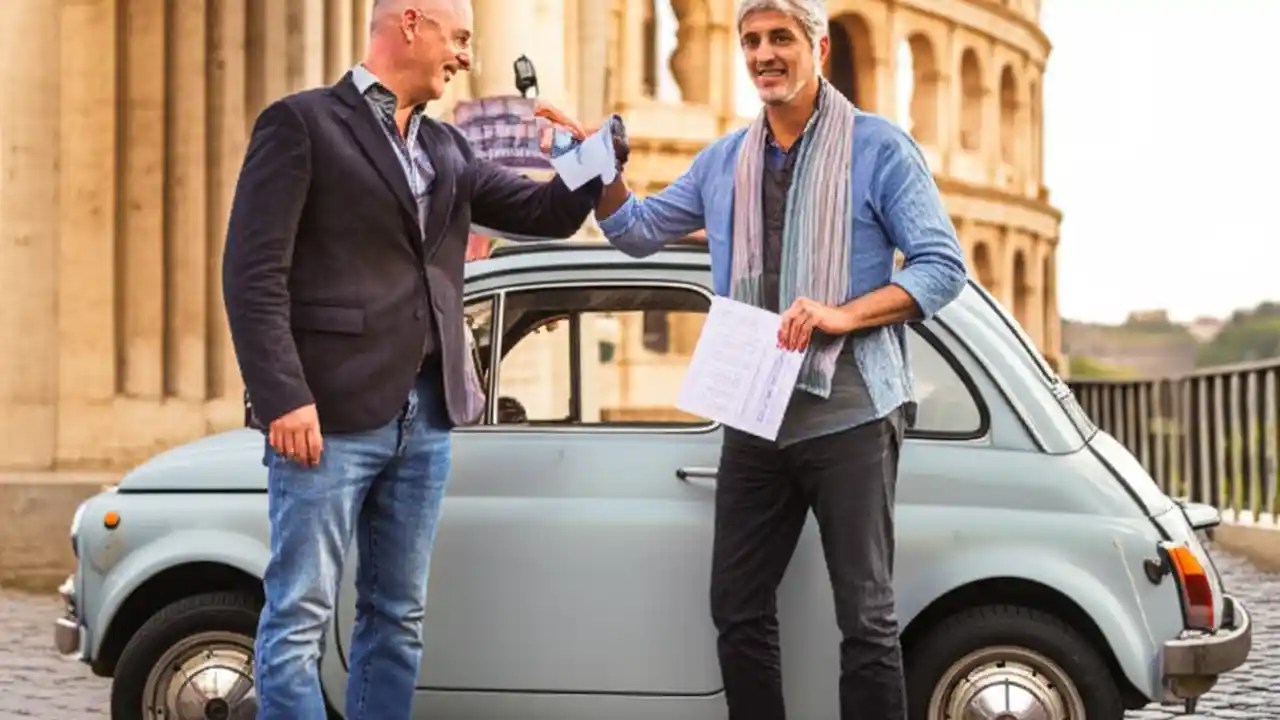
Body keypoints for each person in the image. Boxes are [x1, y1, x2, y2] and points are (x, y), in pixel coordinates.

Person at [220, 1, 616, 718]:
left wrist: (588, 155)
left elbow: (546, 215)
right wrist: (282, 396)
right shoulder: (301, 124)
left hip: (427, 417)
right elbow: (251, 274)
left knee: (397, 618)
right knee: (299, 619)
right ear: (410, 23)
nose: (466, 56)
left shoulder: (448, 149)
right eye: (459, 38)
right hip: (327, 417)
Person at [594, 0, 968, 718]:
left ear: (817, 47)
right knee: (735, 608)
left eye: (781, 38)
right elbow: (637, 232)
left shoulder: (879, 148)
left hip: (853, 412)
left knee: (867, 620)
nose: (765, 53)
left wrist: (842, 314)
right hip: (756, 414)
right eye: (751, 40)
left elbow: (941, 266)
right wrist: (602, 171)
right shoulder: (723, 161)